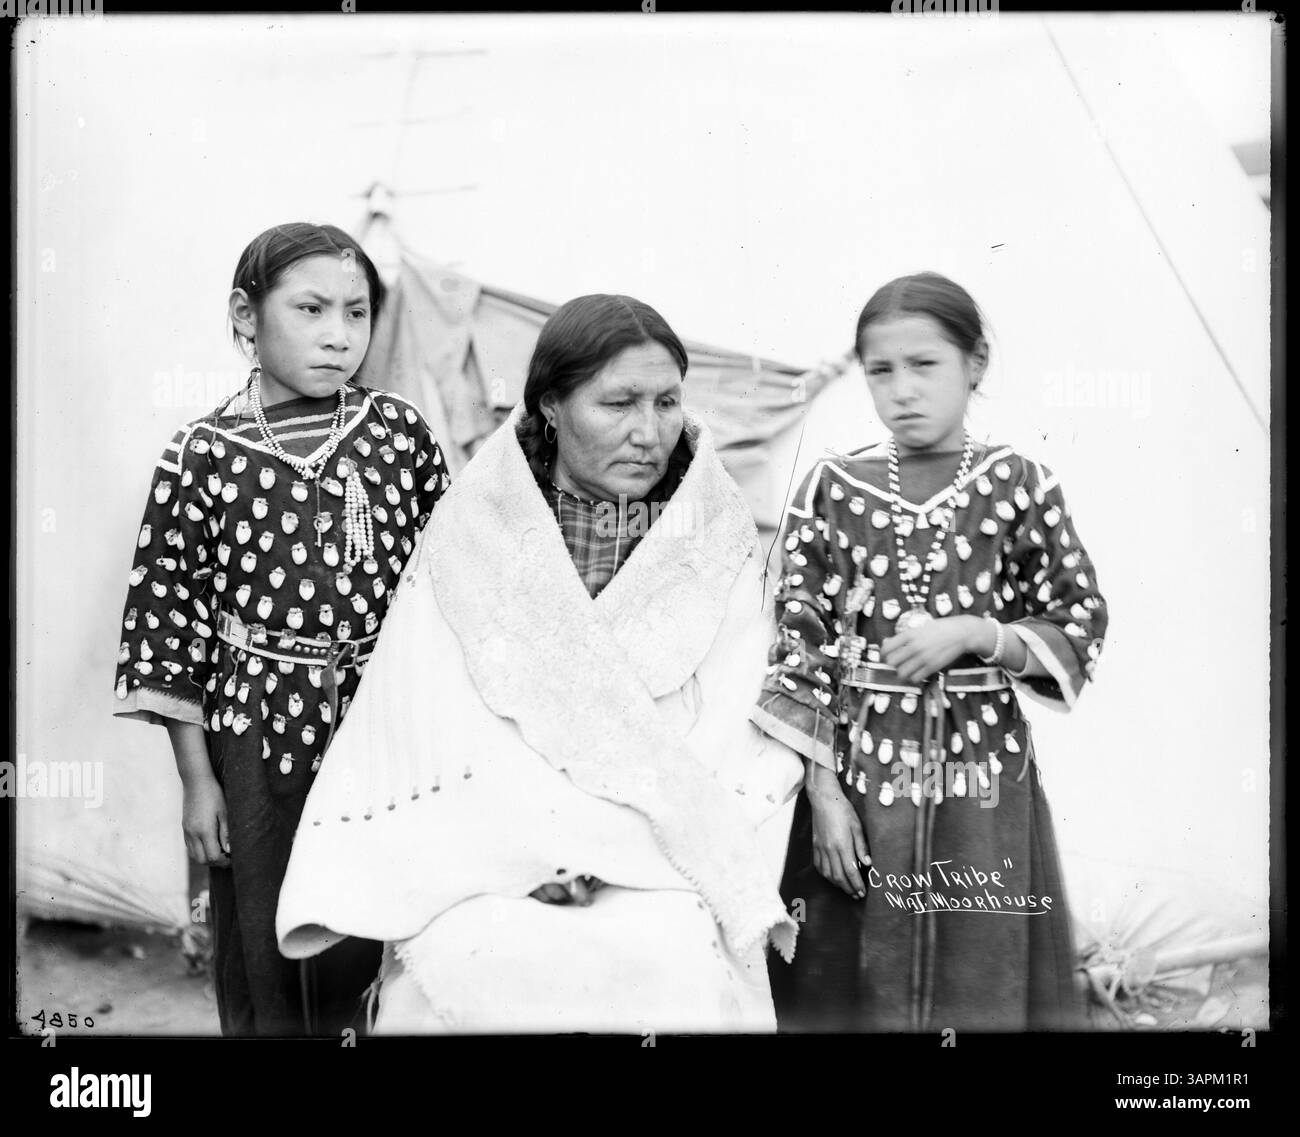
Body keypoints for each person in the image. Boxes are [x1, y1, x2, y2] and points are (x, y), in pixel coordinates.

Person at [276, 294, 801, 1033]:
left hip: (658, 857)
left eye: (666, 402)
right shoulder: (476, 526)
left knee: (673, 963)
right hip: (491, 853)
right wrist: (538, 857)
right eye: (616, 402)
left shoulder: (717, 536)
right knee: (458, 969)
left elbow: (727, 731)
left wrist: (602, 853)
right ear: (551, 404)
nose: (647, 432)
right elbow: (436, 716)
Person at [112, 222, 449, 1036]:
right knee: (263, 919)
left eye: (358, 313)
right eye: (311, 309)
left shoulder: (397, 433)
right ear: (245, 315)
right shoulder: (202, 453)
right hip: (255, 732)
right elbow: (167, 625)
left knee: (376, 915)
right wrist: (199, 781)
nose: (340, 335)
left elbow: (449, 576)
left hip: (380, 719)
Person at [752, 272, 1108, 1032]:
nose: (902, 390)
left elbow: (1079, 619)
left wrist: (984, 634)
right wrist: (822, 795)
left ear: (974, 364)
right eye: (881, 371)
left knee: (977, 965)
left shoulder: (1018, 483)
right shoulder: (832, 486)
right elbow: (798, 646)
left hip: (979, 782)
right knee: (846, 970)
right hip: (857, 780)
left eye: (926, 365)